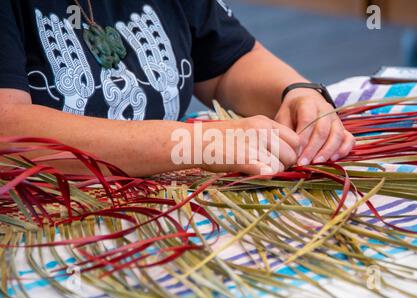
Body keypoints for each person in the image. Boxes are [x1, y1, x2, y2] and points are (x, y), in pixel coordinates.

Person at [0, 0, 354, 177]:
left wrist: (296, 93)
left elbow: (226, 63)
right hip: (51, 227)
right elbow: (8, 130)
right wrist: (196, 144)